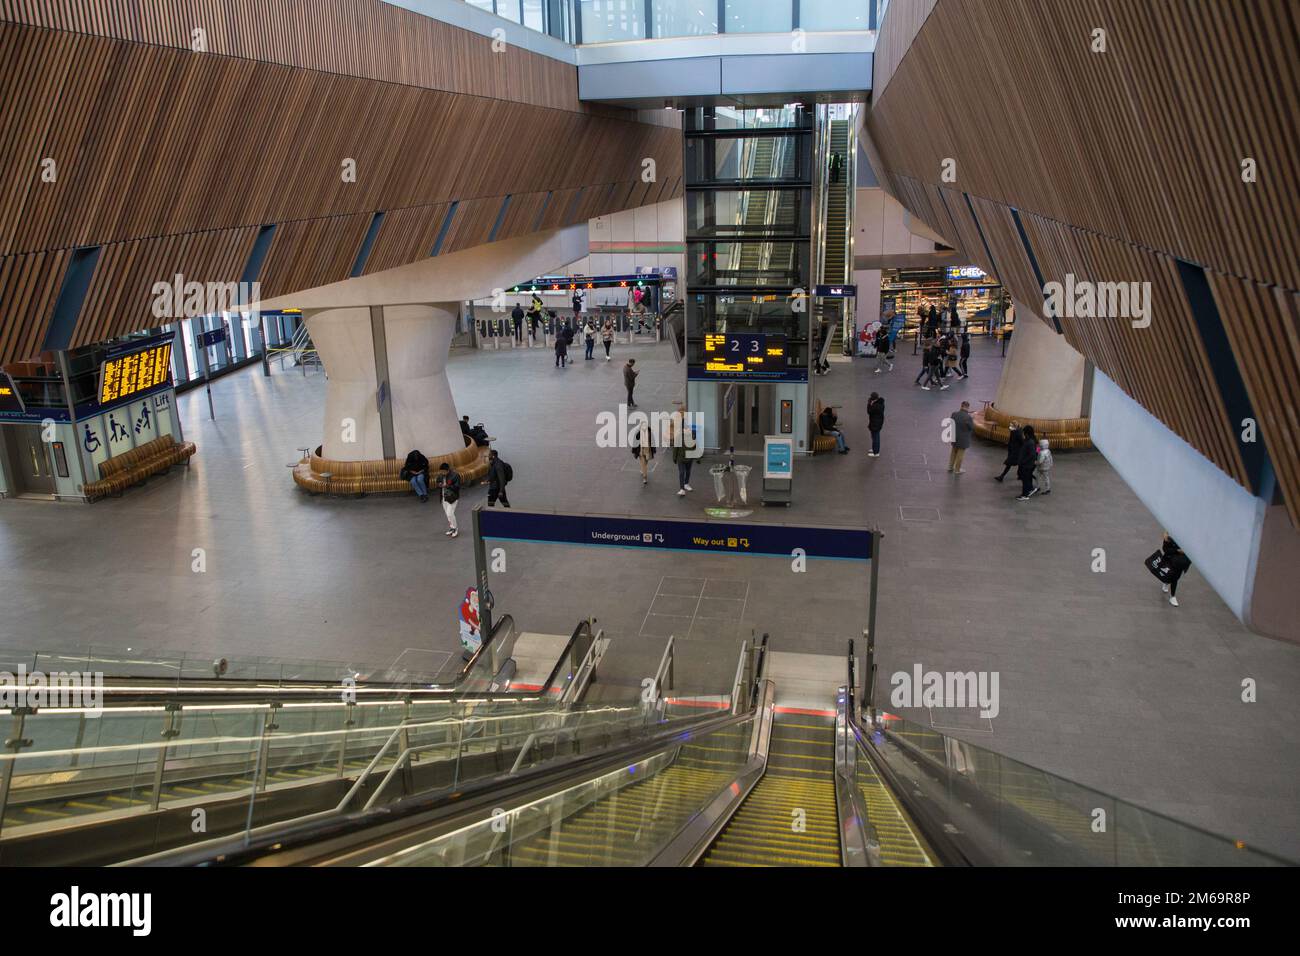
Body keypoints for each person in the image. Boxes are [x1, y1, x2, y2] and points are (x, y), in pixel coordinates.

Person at [1159, 534, 1191, 607]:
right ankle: (1172, 596)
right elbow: (1165, 549)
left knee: (1176, 577)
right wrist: (1177, 551)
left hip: (1182, 561)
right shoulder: (1169, 536)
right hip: (1171, 559)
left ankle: (1167, 582)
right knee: (1174, 577)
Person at [670, 420, 695, 497]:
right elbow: (675, 448)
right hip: (680, 458)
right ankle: (682, 489)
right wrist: (674, 458)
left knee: (688, 471)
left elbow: (695, 447)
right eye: (685, 428)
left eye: (687, 428)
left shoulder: (692, 435)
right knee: (681, 472)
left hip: (689, 458)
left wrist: (698, 458)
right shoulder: (678, 436)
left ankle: (686, 484)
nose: (687, 430)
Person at [436, 462, 461, 536]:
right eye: (441, 471)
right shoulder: (441, 475)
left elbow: (457, 487)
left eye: (443, 471)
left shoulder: (455, 475)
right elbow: (437, 482)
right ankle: (452, 527)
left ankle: (455, 529)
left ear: (447, 470)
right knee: (447, 514)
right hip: (444, 497)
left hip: (452, 497)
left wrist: (446, 486)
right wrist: (439, 484)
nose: (442, 473)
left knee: (450, 513)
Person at [949, 401, 974, 474]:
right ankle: (957, 470)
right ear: (968, 407)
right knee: (960, 455)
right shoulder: (968, 417)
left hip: (954, 436)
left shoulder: (954, 414)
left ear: (961, 406)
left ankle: (950, 467)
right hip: (963, 439)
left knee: (953, 452)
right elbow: (971, 427)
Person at [1015, 425, 1039, 500]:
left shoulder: (1030, 442)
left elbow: (1032, 454)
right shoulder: (1029, 440)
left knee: (1025, 480)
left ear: (1026, 433)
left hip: (1027, 465)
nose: (1023, 434)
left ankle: (1024, 495)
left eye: (1023, 433)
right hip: (1026, 464)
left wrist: (1023, 461)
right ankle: (1030, 489)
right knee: (1027, 478)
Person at [632, 420, 655, 485]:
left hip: (648, 450)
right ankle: (645, 477)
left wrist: (654, 450)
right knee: (644, 463)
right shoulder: (638, 433)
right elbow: (635, 443)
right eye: (643, 426)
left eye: (645, 425)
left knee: (646, 462)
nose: (644, 427)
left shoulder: (650, 432)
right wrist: (634, 451)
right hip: (641, 450)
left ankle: (642, 469)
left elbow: (653, 441)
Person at [867, 392, 885, 457]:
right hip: (877, 422)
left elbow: (869, 411)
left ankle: (876, 452)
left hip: (875, 424)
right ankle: (874, 449)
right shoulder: (880, 403)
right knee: (874, 436)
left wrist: (869, 404)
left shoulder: (876, 406)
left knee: (875, 438)